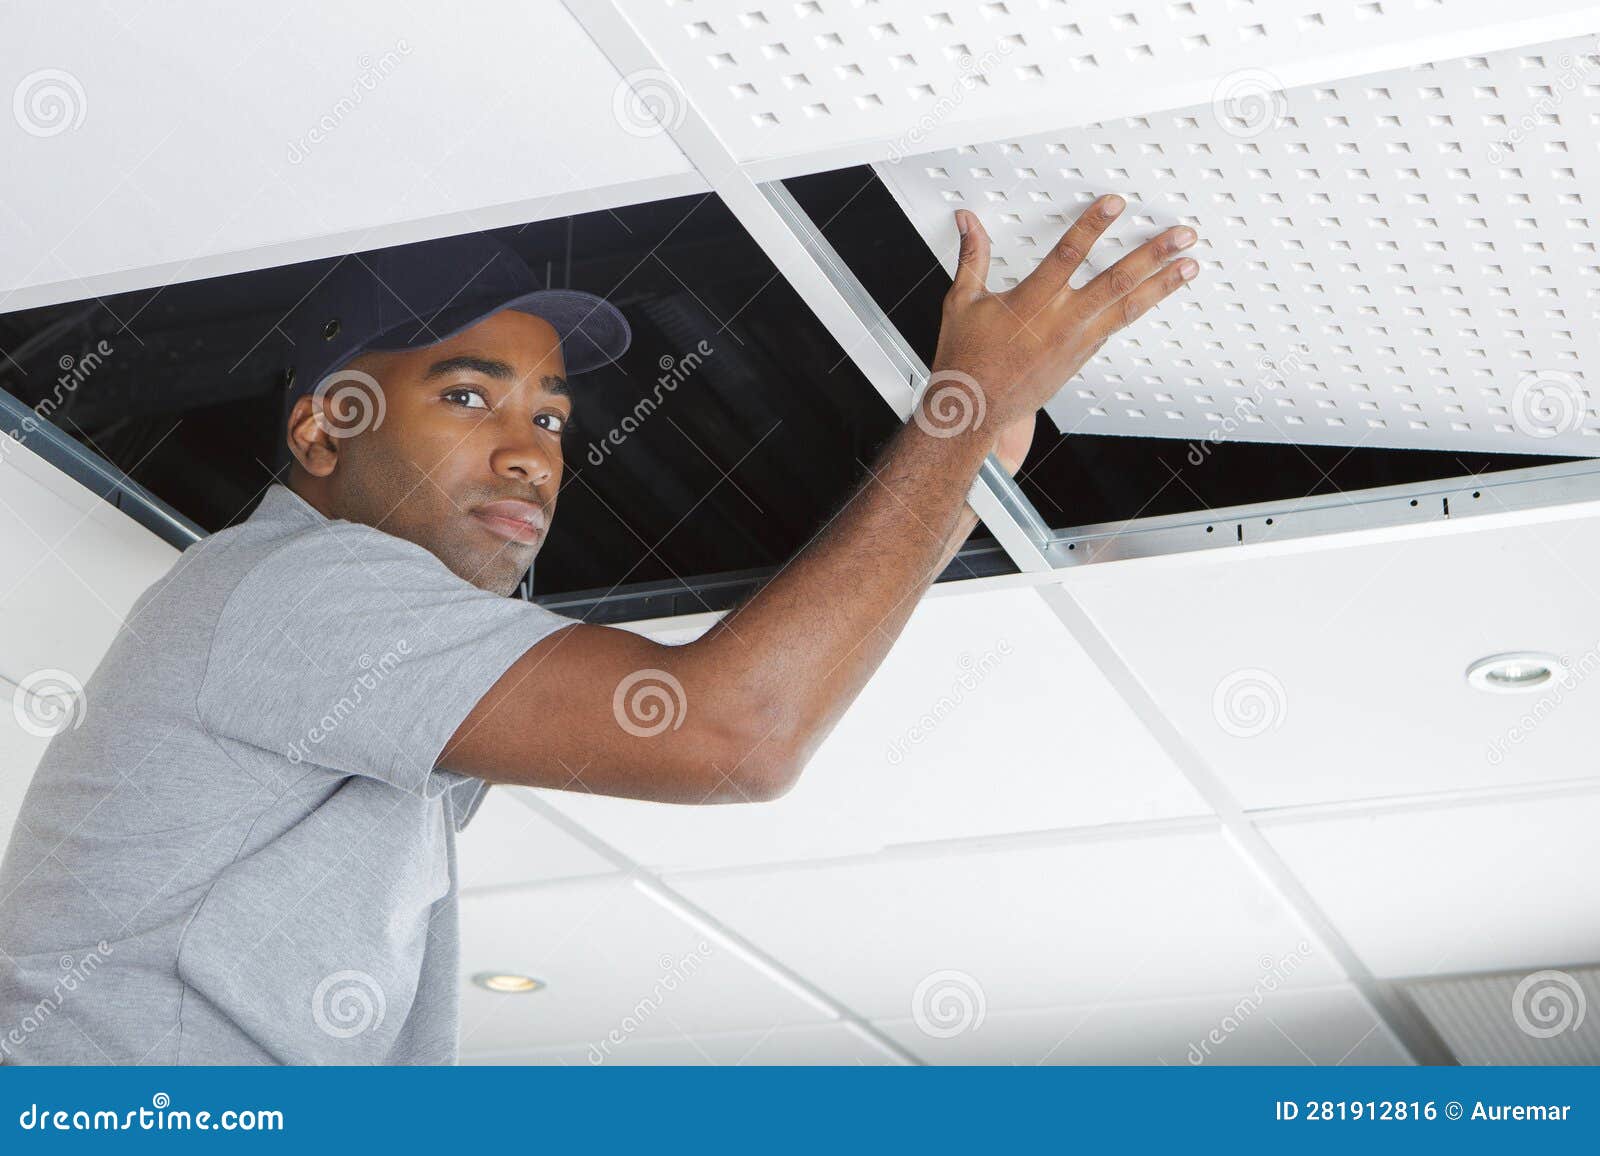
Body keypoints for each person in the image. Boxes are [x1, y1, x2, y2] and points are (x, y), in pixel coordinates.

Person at [0, 195, 1199, 1064]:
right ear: (322, 433)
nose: (531, 450)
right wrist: (964, 408)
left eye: (552, 416)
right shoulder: (296, 590)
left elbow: (745, 709)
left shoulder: (356, 645)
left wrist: (968, 444)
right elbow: (736, 731)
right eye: (467, 396)